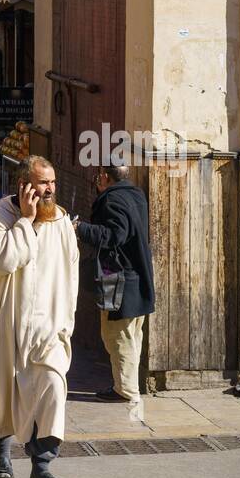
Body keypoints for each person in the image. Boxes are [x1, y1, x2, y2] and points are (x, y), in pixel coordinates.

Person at [0, 155, 79, 478]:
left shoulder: (62, 221)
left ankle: (42, 467)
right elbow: (3, 261)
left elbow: (71, 271)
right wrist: (26, 221)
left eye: (51, 182)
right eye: (42, 182)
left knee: (53, 388)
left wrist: (67, 320)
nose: (49, 188)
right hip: (9, 323)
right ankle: (2, 453)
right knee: (4, 393)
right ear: (23, 185)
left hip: (49, 329)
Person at [75, 163, 155, 406]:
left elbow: (114, 236)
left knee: (118, 336)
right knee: (131, 335)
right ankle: (127, 386)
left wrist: (80, 229)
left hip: (120, 280)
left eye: (98, 175)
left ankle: (126, 390)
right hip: (135, 277)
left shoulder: (113, 200)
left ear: (105, 177)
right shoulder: (135, 195)